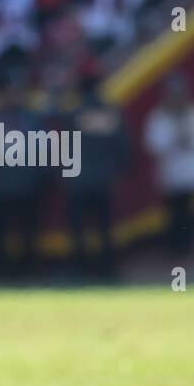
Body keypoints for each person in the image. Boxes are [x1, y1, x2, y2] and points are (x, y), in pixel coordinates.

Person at [0, 74, 51, 278]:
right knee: (0, 232)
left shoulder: (32, 120)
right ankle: (1, 270)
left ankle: (28, 269)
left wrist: (40, 177)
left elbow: (43, 151)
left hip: (28, 185)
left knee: (29, 233)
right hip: (0, 186)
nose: (13, 98)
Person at [60, 77, 129, 279]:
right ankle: (108, 268)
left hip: (79, 180)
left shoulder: (75, 114)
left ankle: (80, 268)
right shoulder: (110, 113)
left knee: (79, 229)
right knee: (105, 227)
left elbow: (66, 147)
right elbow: (122, 146)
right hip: (104, 178)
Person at [144, 73, 194, 256]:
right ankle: (176, 247)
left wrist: (191, 137)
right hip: (172, 173)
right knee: (175, 214)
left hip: (193, 172)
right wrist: (173, 139)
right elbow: (153, 144)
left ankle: (189, 247)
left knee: (191, 211)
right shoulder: (159, 116)